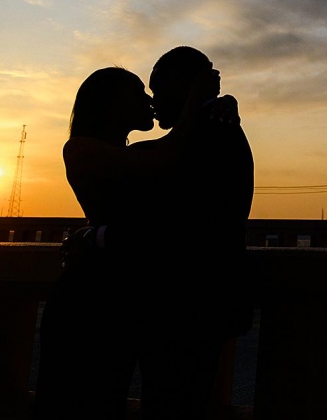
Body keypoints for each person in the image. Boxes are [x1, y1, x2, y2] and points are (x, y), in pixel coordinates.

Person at [33, 63, 237, 419]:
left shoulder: (136, 151)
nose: (150, 101)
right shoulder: (80, 149)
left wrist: (217, 105)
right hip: (87, 300)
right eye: (139, 93)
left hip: (117, 300)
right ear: (111, 104)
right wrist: (196, 103)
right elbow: (166, 155)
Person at [137, 46, 255, 417]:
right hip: (198, 301)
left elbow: (180, 223)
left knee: (171, 401)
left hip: (184, 303)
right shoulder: (218, 126)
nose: (154, 102)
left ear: (185, 88)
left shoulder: (205, 134)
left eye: (159, 91)